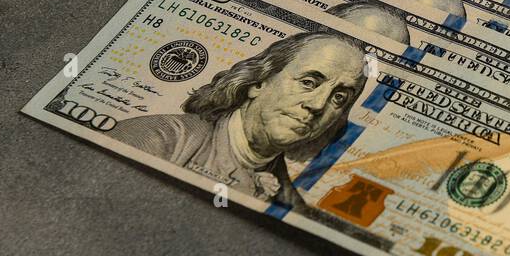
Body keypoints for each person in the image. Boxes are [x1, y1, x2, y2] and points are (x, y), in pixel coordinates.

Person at [109, 30, 367, 210]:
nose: (318, 105)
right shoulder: (159, 136)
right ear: (259, 83)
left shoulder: (289, 206)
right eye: (309, 82)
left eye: (339, 97)